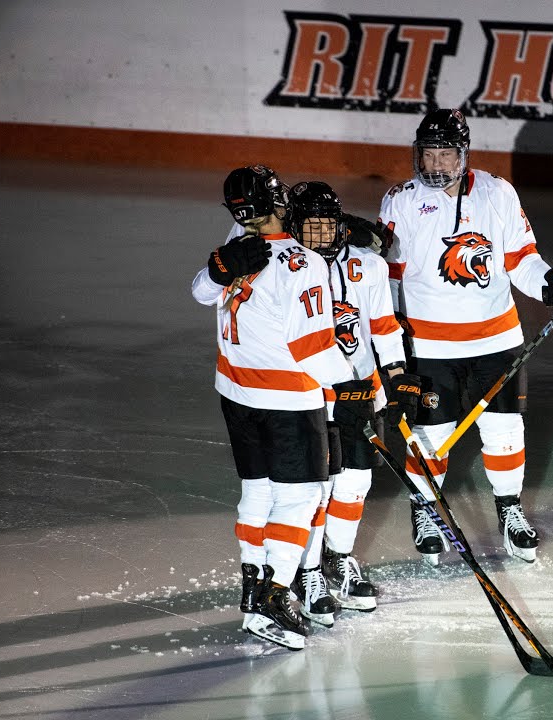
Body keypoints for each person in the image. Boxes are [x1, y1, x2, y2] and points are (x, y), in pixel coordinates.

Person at [378, 109, 553, 564]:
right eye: (428, 154)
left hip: (495, 342)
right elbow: (390, 276)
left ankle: (510, 510)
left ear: (463, 154)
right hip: (429, 346)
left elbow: (521, 258)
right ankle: (425, 507)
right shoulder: (400, 200)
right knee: (430, 434)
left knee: (504, 431)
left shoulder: (498, 193)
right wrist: (388, 337)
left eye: (445, 155)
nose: (435, 165)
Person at [191, 165, 374, 650]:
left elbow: (200, 291)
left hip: (234, 392)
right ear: (279, 202)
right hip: (288, 400)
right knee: (301, 497)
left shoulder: (235, 243)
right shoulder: (303, 262)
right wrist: (355, 389)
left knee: (257, 492)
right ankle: (276, 593)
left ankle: (252, 595)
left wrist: (217, 267)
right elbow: (311, 348)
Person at [286, 180, 421, 624]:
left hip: (362, 394)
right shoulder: (285, 269)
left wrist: (397, 375)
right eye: (309, 228)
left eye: (327, 227)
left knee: (356, 483)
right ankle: (307, 572)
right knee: (315, 491)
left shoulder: (368, 266)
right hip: (308, 396)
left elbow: (383, 327)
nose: (319, 237)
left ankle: (338, 559)